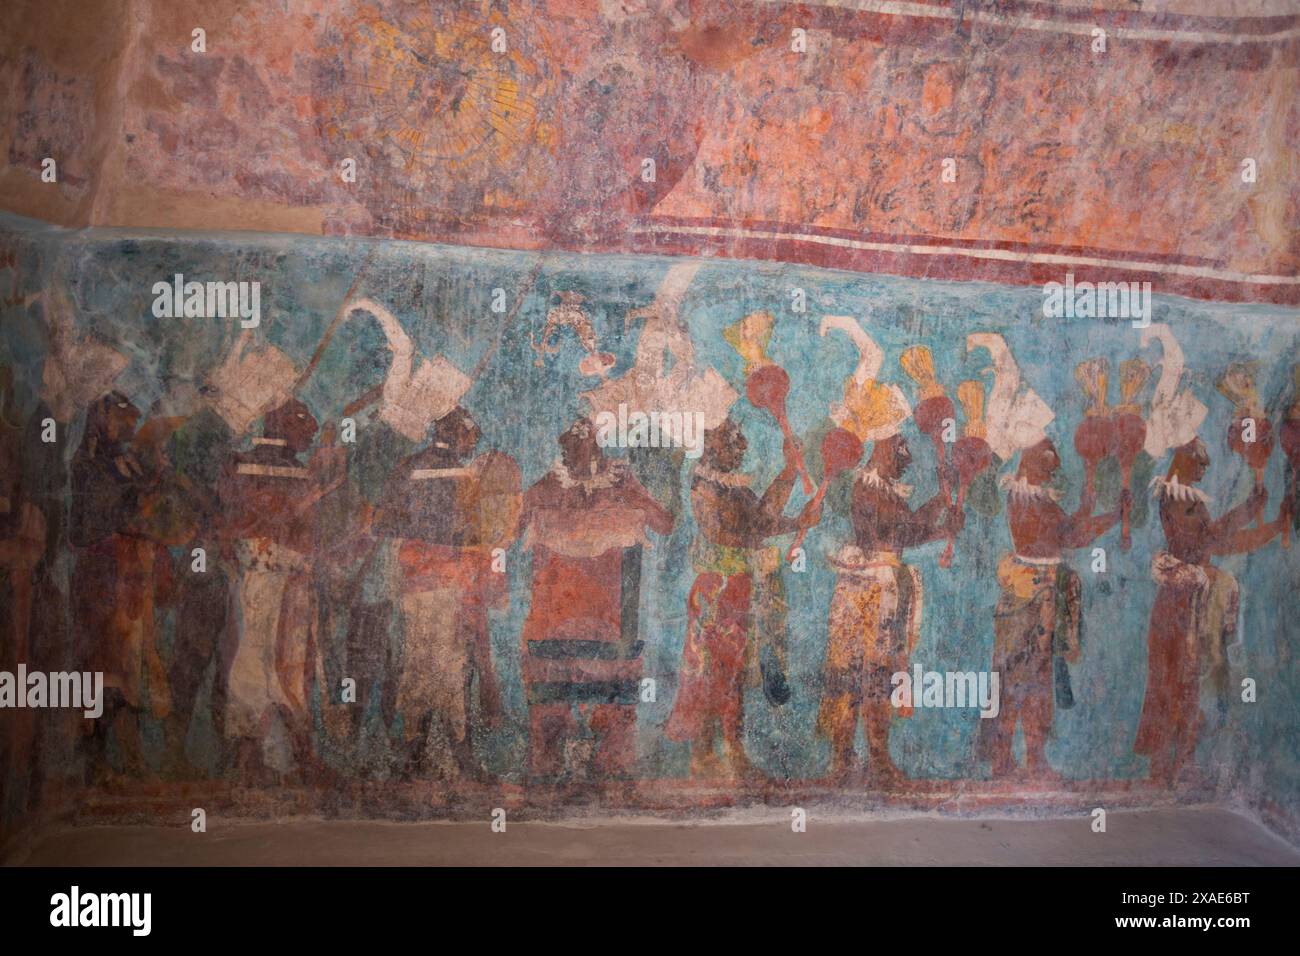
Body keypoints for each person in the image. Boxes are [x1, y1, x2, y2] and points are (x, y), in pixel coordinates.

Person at [665, 417, 820, 780]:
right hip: (717, 592)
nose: (743, 445)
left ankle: (732, 751)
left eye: (740, 436)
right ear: (711, 441)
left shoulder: (731, 486)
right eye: (733, 437)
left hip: (739, 589)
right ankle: (703, 754)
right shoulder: (704, 485)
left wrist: (788, 472)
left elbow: (762, 516)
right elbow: (736, 532)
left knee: (733, 676)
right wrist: (796, 523)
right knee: (710, 674)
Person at [520, 417, 673, 782]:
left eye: (586, 442)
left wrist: (632, 495)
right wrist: (545, 492)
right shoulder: (550, 484)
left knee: (614, 706)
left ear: (599, 446)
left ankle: (614, 773)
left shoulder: (620, 480)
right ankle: (547, 774)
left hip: (611, 621)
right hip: (554, 620)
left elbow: (664, 522)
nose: (578, 450)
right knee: (551, 705)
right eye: (571, 444)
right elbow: (509, 522)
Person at [373, 406, 519, 781]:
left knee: (420, 671)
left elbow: (384, 523)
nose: (475, 442)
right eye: (472, 435)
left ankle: (415, 757)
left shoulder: (407, 467)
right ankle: (452, 759)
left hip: (417, 588)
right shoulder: (467, 477)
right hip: (451, 588)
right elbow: (479, 540)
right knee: (453, 674)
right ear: (457, 433)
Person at [1136, 438, 1289, 786]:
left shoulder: (1187, 499)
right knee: (1173, 683)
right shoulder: (1177, 498)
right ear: (1182, 459)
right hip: (1180, 602)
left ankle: (1178, 766)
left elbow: (1215, 541)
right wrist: (1254, 514)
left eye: (1206, 462)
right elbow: (1210, 542)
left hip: (1188, 600)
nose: (1205, 468)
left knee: (1184, 684)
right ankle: (1168, 768)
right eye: (1199, 461)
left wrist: (1261, 521)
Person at [817, 433, 961, 784]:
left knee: (876, 678)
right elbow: (903, 532)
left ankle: (876, 759)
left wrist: (942, 508)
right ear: (882, 447)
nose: (907, 458)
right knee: (854, 677)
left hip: (880, 588)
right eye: (901, 449)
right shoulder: (867, 488)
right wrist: (941, 515)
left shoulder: (883, 489)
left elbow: (905, 530)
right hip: (868, 592)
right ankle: (845, 761)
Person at [980, 438, 1124, 780]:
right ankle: (1004, 759)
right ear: (1030, 458)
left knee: (1037, 683)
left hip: (1040, 599)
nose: (1055, 464)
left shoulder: (1036, 498)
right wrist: (1111, 517)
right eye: (1048, 456)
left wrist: (1093, 510)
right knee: (1018, 682)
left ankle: (1034, 758)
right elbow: (1068, 535)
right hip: (1030, 600)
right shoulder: (1024, 497)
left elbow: (1067, 529)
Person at [218, 399, 329, 782]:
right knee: (255, 663)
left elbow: (306, 530)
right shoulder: (247, 466)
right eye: (301, 425)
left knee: (290, 667)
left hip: (289, 582)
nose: (309, 433)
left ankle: (297, 757)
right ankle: (250, 759)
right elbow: (236, 525)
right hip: (262, 580)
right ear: (279, 424)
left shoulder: (295, 471)